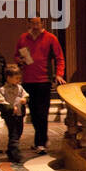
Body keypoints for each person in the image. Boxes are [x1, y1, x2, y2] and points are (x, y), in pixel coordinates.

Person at [15, 16, 65, 154]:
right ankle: (42, 138)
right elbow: (16, 55)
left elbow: (59, 57)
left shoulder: (50, 38)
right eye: (33, 23)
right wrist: (20, 60)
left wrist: (59, 74)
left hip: (44, 80)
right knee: (34, 113)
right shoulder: (23, 38)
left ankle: (41, 143)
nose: (36, 25)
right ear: (29, 23)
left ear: (42, 23)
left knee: (42, 112)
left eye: (38, 23)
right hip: (28, 80)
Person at [0, 65, 28, 164]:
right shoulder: (3, 90)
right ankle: (16, 154)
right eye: (16, 78)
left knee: (19, 131)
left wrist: (24, 100)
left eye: (19, 78)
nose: (18, 80)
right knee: (14, 133)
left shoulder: (20, 88)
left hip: (19, 114)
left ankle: (10, 151)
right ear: (9, 78)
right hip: (10, 116)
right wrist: (10, 108)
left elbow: (26, 95)